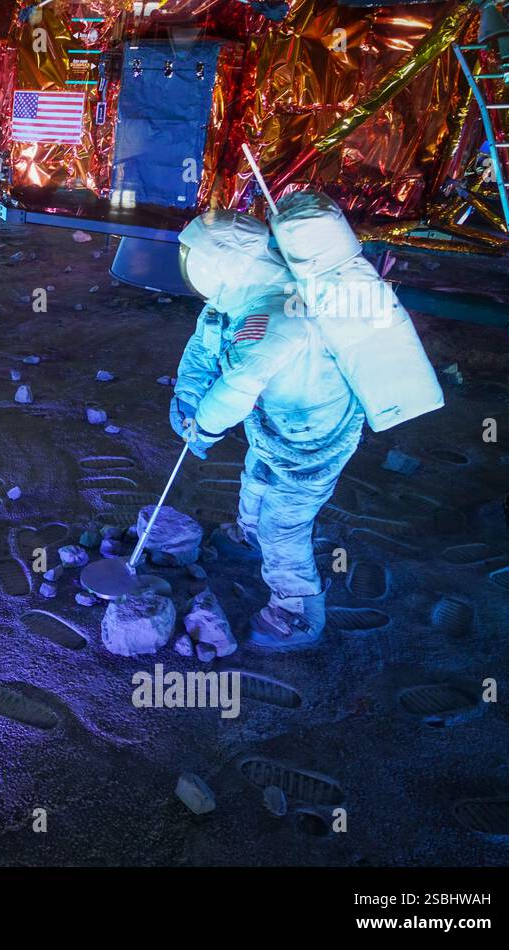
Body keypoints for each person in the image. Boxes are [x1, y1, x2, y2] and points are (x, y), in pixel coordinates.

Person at [170, 210, 363, 651]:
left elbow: (237, 387)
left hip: (312, 441)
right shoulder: (242, 298)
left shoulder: (277, 318)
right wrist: (187, 392)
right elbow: (206, 344)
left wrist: (202, 427)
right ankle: (250, 533)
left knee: (285, 524)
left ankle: (297, 607)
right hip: (277, 425)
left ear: (222, 267)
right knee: (256, 478)